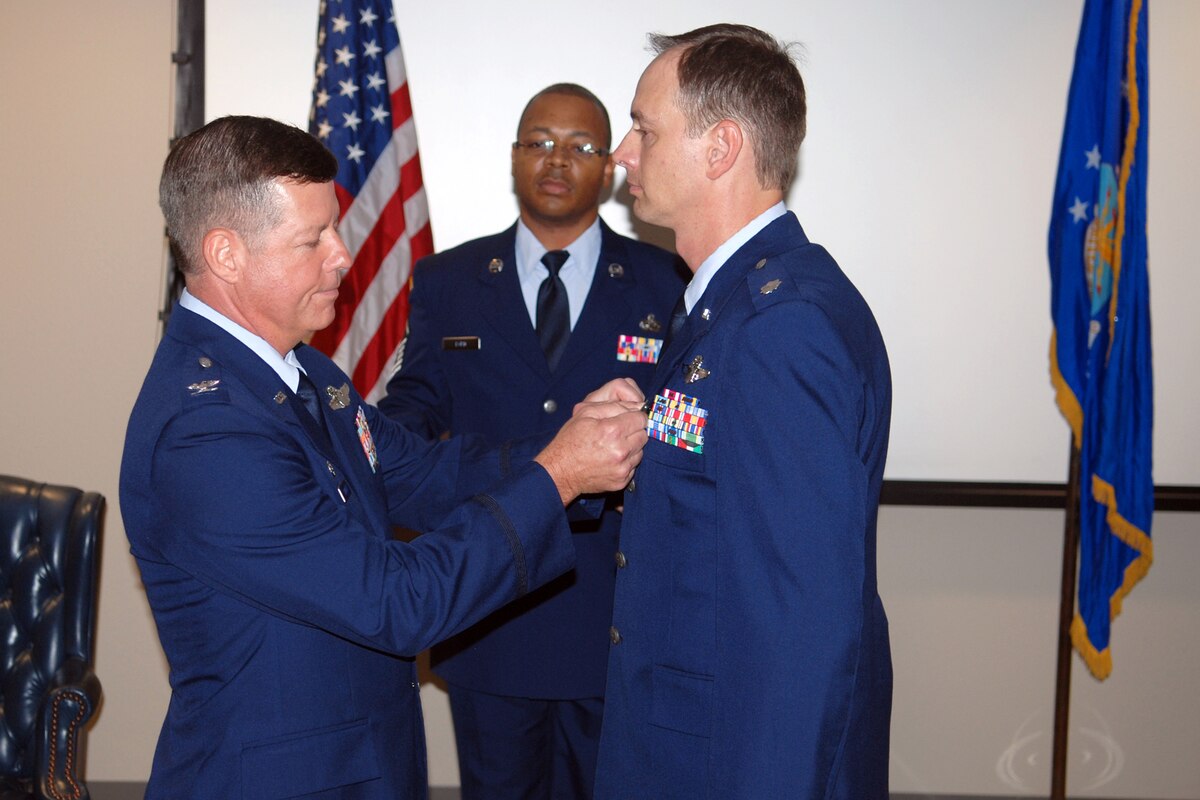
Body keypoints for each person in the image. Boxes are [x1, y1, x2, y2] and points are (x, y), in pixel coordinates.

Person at [119, 115, 649, 799]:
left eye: (335, 230)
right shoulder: (207, 430)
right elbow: (396, 601)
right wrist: (561, 474)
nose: (342, 256)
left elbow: (430, 474)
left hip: (357, 762)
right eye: (313, 239)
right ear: (226, 254)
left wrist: (572, 442)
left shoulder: (305, 374)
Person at [593, 24, 893, 799]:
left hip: (730, 764)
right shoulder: (727, 306)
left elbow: (802, 629)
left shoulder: (780, 328)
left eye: (644, 130)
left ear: (720, 148)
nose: (622, 153)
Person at [377, 84, 684, 799]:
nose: (557, 160)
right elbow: (414, 406)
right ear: (514, 157)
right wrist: (364, 446)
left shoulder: (663, 280)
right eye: (540, 142)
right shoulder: (449, 279)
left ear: (609, 167)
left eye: (581, 146)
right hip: (493, 610)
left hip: (612, 610)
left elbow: (682, 423)